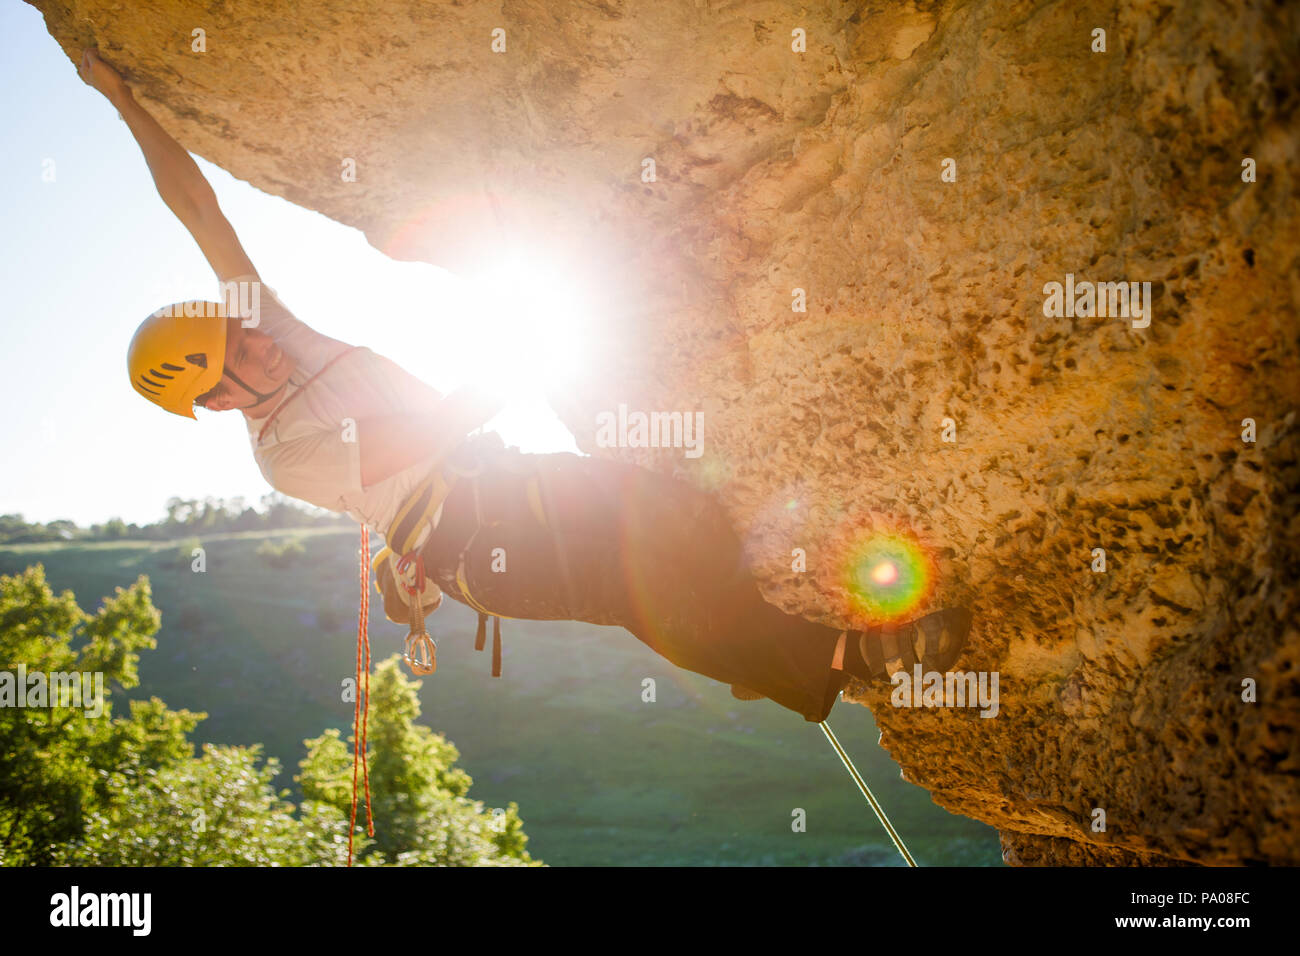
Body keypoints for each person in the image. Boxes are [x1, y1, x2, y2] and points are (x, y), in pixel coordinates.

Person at [81, 48, 973, 724]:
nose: (260, 344)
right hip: (480, 542)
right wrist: (530, 349)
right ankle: (855, 658)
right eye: (241, 357)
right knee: (638, 585)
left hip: (505, 481)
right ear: (219, 402)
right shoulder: (285, 457)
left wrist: (122, 103)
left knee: (675, 516)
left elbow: (198, 211)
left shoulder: (281, 337)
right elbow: (424, 435)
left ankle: (755, 655)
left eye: (246, 330)